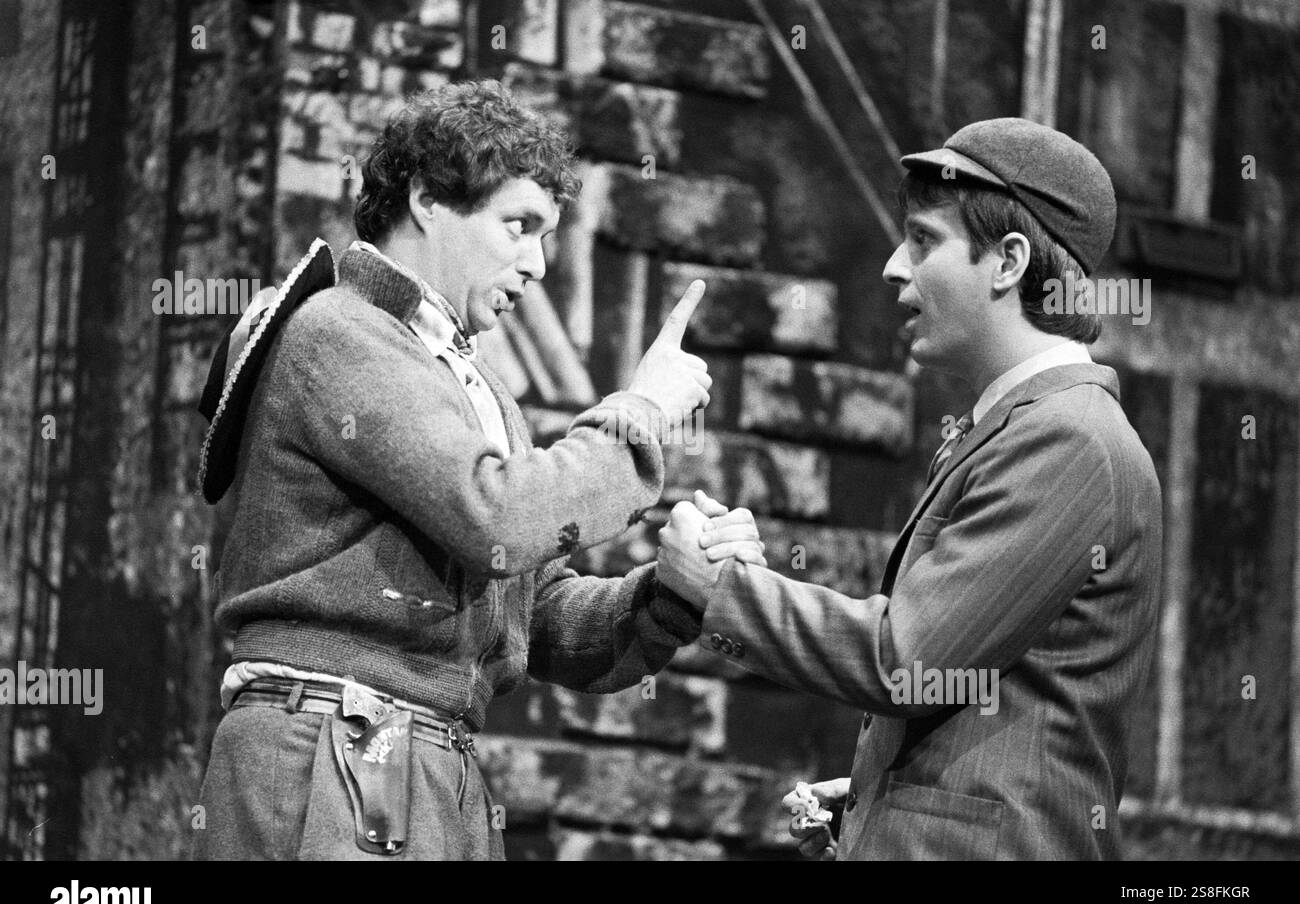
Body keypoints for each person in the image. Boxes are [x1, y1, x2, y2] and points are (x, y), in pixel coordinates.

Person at [191, 80, 764, 860]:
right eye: (517, 226)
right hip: (333, 753)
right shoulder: (341, 334)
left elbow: (541, 616)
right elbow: (495, 513)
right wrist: (636, 414)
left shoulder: (476, 383)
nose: (535, 264)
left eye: (546, 236)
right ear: (427, 201)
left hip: (425, 768)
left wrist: (669, 595)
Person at [656, 118, 1163, 860]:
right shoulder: (1018, 426)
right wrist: (873, 809)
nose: (895, 266)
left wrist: (721, 589)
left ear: (1008, 262)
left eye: (923, 241)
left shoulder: (1070, 440)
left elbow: (909, 662)